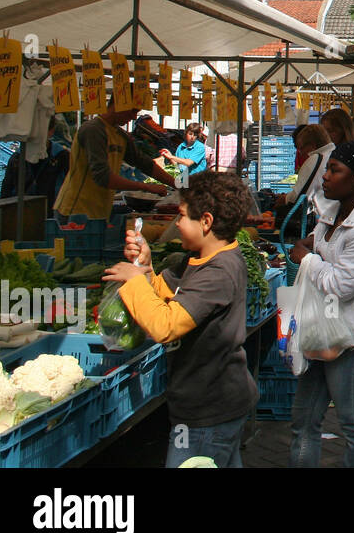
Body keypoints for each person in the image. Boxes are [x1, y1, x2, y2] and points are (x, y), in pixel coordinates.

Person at [103, 171, 258, 467]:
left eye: (182, 216)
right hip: (214, 405)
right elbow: (169, 291)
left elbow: (166, 326)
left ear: (207, 221)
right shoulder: (202, 259)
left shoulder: (218, 272)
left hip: (208, 412)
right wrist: (146, 269)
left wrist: (134, 281)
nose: (176, 224)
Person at [288, 139, 354, 468]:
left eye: (335, 170)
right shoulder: (332, 211)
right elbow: (323, 245)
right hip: (320, 329)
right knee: (304, 422)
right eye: (328, 168)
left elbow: (341, 285)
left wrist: (306, 259)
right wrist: (312, 244)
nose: (325, 176)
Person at [54, 98, 175, 222]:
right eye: (132, 111)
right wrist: (147, 187)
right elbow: (103, 177)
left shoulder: (120, 135)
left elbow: (144, 163)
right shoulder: (93, 130)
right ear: (118, 103)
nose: (134, 117)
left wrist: (177, 185)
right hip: (75, 210)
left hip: (99, 211)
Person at [275, 124, 335, 226]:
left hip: (320, 220)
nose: (300, 152)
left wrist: (284, 199)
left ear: (312, 146)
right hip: (334, 217)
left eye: (301, 148)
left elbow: (297, 196)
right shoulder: (335, 153)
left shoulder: (315, 159)